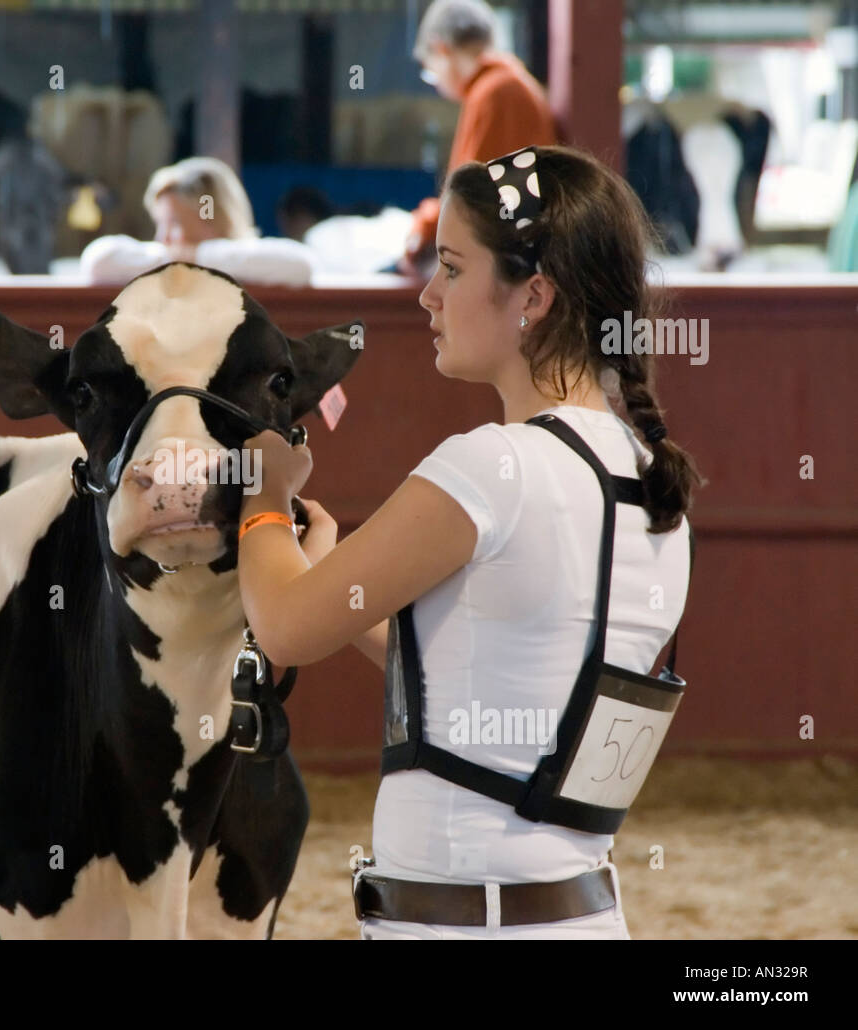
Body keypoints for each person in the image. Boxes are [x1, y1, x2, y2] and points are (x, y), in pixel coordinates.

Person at [236, 144, 703, 939]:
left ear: (534, 295)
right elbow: (487, 679)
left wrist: (264, 496)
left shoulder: (492, 466)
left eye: (452, 268)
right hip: (576, 917)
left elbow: (279, 625)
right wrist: (333, 572)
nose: (427, 295)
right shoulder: (650, 480)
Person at [398, 0, 558, 277]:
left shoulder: (497, 93)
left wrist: (422, 231)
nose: (436, 83)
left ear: (441, 49)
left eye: (430, 70)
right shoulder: (503, 85)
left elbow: (471, 197)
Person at [79, 156, 318, 286]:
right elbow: (99, 259)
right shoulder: (165, 263)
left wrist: (196, 256)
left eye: (174, 224)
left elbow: (300, 265)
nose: (162, 238)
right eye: (159, 224)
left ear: (212, 218)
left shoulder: (256, 263)